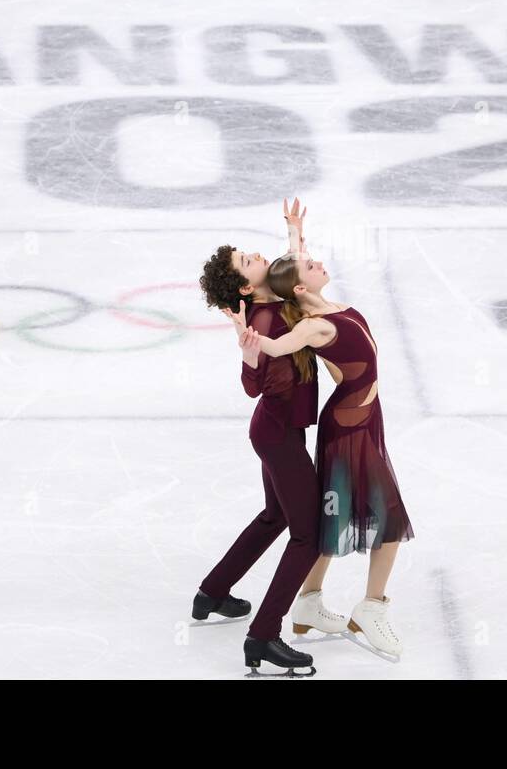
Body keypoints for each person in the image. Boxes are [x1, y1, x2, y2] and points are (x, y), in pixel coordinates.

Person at [225, 246, 414, 657]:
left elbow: (290, 268)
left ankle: (309, 599)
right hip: (350, 425)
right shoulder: (311, 326)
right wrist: (249, 342)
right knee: (386, 517)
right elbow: (279, 346)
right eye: (310, 266)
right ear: (298, 284)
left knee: (334, 513)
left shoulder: (329, 305)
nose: (318, 262)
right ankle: (371, 608)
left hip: (363, 418)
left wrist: (295, 234)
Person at [193, 199, 332, 676]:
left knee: (276, 516)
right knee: (309, 533)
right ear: (244, 285)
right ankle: (264, 635)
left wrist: (296, 235)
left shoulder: (271, 300)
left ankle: (212, 591)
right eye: (247, 260)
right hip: (276, 434)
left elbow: (292, 274)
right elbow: (253, 386)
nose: (257, 255)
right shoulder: (263, 320)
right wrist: (249, 356)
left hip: (278, 430)